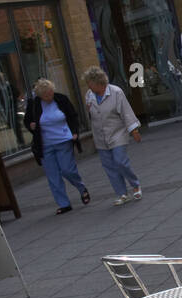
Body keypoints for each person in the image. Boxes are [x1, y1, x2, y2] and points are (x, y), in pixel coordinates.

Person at [24, 79, 90, 214]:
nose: (49, 96)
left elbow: (73, 116)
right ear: (40, 95)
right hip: (45, 145)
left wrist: (75, 132)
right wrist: (31, 126)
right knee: (53, 176)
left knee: (67, 170)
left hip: (63, 141)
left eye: (50, 93)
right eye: (46, 95)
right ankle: (64, 204)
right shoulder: (34, 104)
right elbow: (27, 121)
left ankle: (81, 187)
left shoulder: (61, 99)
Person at [82, 66, 143, 207]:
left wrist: (134, 131)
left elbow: (126, 112)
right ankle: (122, 194)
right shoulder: (89, 95)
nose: (88, 86)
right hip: (100, 137)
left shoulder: (116, 92)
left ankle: (135, 185)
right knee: (109, 166)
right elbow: (90, 115)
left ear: (98, 82)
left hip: (117, 133)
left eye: (89, 83)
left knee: (120, 161)